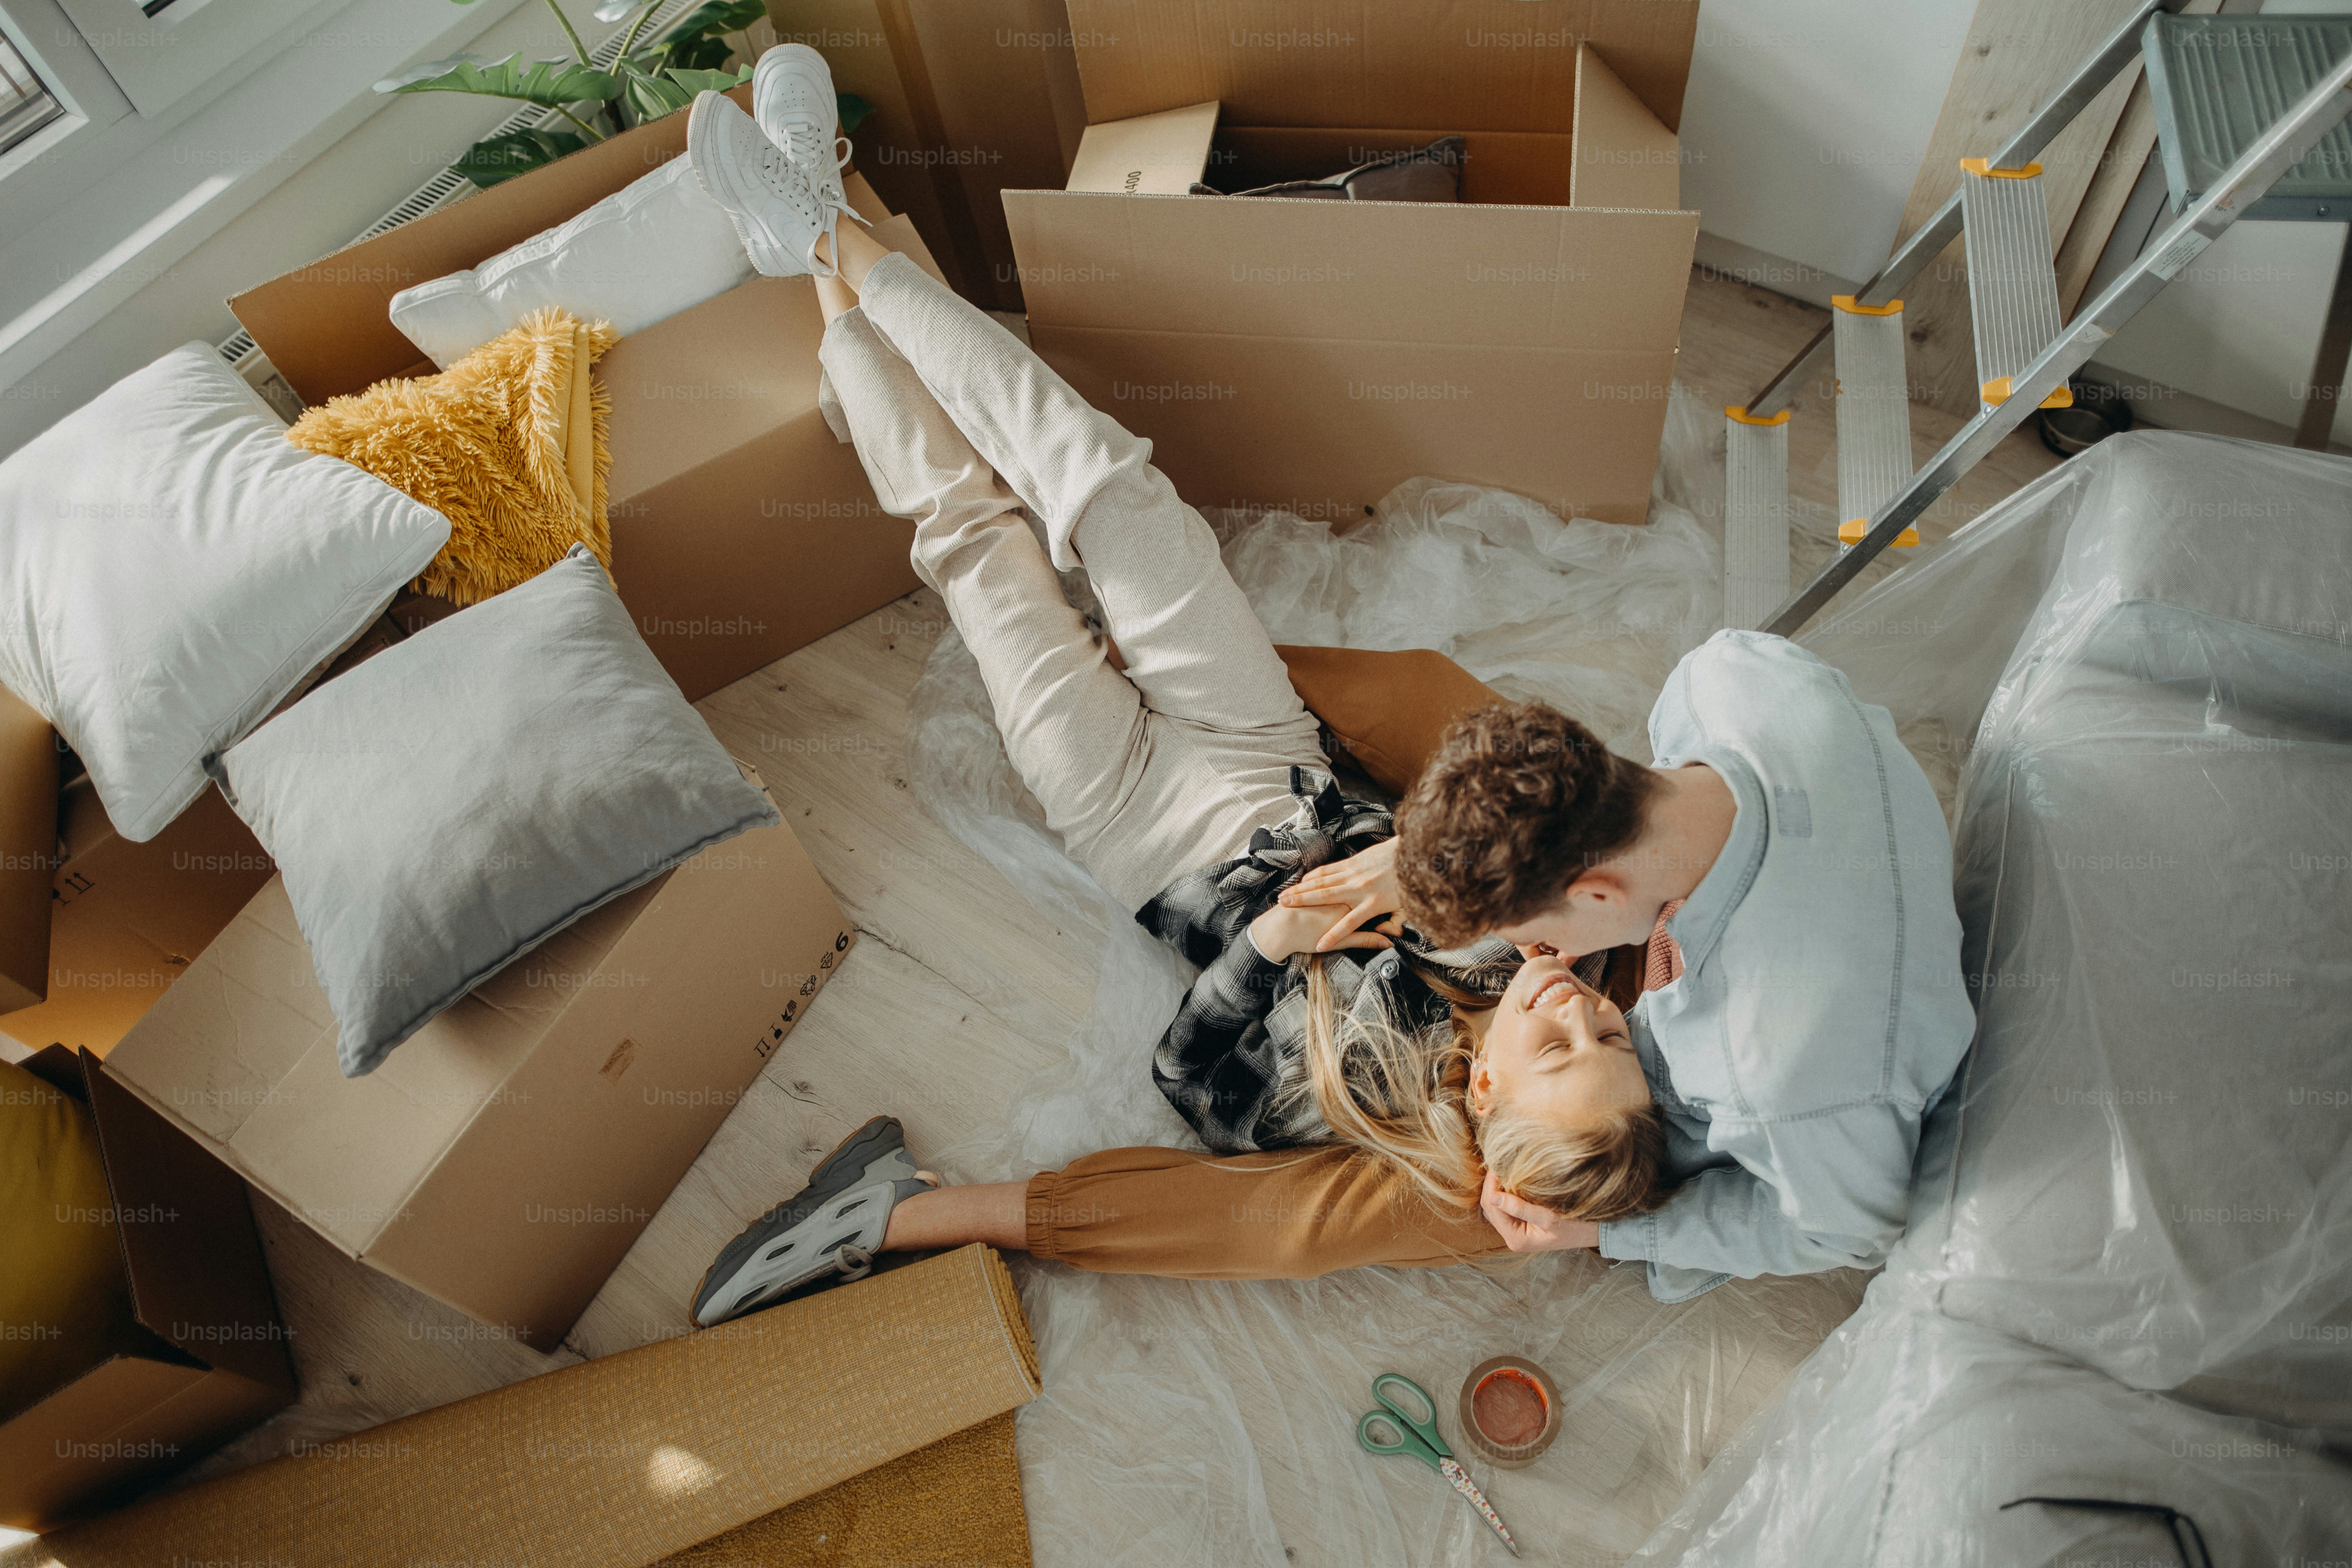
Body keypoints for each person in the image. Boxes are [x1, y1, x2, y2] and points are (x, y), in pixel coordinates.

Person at [681, 61, 1664, 1329]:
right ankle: (825, 231)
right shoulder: (1551, 945)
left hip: (1133, 826)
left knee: (974, 543)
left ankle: (816, 252)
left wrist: (1271, 947)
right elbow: (1575, 853)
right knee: (1117, 490)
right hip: (1268, 745)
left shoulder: (1354, 1101)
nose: (1584, 1019)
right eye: (1614, 1043)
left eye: (1563, 1053)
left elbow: (1187, 1072)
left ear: (1487, 1106)